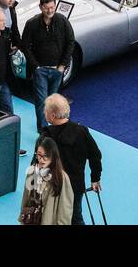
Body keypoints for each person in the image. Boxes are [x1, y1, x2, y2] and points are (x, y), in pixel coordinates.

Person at [41, 94, 102, 225]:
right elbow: (95, 155)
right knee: (75, 216)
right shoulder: (82, 131)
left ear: (52, 115)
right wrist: (95, 178)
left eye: (45, 110)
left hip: (53, 185)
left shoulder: (46, 137)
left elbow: (39, 163)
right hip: (76, 186)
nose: (43, 112)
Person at [21, 0, 75, 133]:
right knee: (41, 102)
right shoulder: (32, 23)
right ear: (40, 7)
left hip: (57, 69)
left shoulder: (62, 21)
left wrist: (62, 65)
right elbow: (25, 46)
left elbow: (70, 42)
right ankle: (43, 130)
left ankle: (55, 126)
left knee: (55, 101)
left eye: (52, 7)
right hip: (41, 71)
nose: (50, 11)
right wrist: (36, 67)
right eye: (47, 8)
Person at [18, 136, 73, 225]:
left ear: (53, 156)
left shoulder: (61, 178)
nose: (42, 159)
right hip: (32, 219)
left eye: (46, 156)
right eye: (39, 154)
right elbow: (26, 198)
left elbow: (65, 210)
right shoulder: (32, 171)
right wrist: (22, 218)